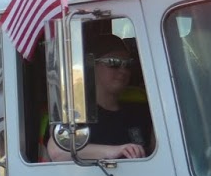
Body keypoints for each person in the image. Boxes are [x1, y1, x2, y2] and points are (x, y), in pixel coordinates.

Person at [45, 32, 153, 161]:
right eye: (113, 63)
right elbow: (58, 151)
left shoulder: (141, 110)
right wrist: (115, 151)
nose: (123, 70)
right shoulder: (75, 112)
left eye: (128, 64)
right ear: (91, 65)